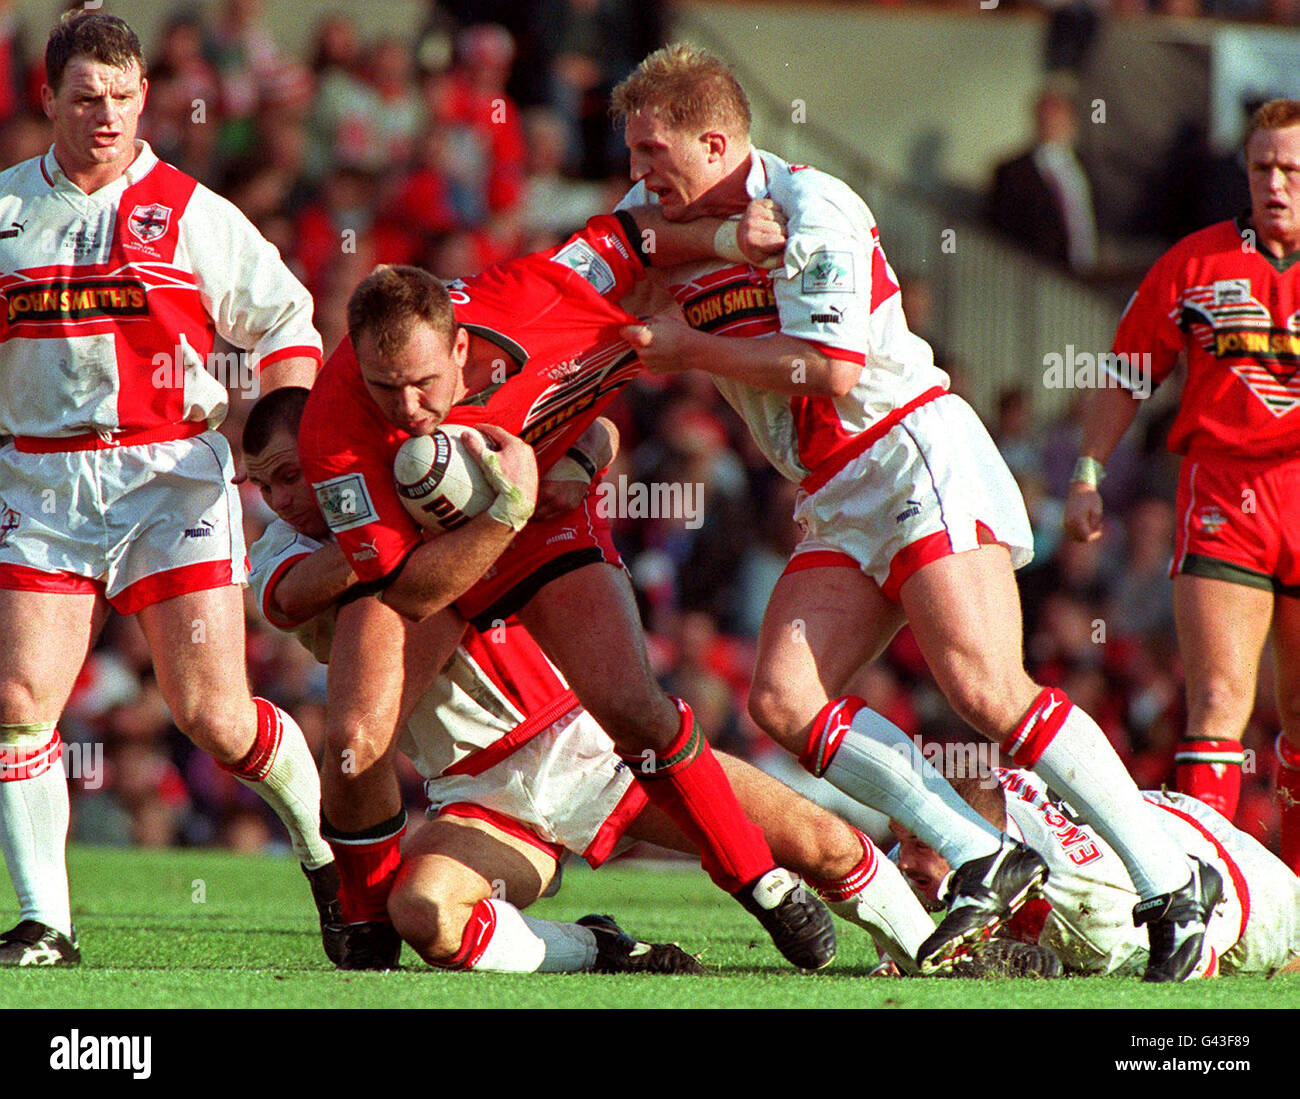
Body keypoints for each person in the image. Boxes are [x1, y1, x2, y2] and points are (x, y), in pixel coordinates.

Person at [608, 43, 1214, 982]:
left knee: (985, 689)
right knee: (782, 698)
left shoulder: (820, 208)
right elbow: (618, 244)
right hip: (834, 487)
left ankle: (1171, 879)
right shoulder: (665, 215)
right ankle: (975, 850)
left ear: (717, 139)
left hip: (905, 446)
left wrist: (689, 347)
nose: (639, 174)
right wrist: (720, 244)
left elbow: (832, 368)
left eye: (654, 152)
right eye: (633, 154)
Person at [296, 208, 838, 970]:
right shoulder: (331, 441)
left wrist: (726, 239)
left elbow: (633, 238)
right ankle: (378, 928)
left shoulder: (534, 296)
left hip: (569, 677)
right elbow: (377, 594)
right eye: (384, 388)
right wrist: (501, 513)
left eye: (423, 384)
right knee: (358, 755)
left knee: (680, 739)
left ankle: (820, 892)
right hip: (474, 730)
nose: (410, 410)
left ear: (460, 347)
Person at [246, 387, 942, 974]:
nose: (279, 500)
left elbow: (596, 426)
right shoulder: (287, 548)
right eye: (264, 484)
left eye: (289, 473)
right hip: (479, 792)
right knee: (425, 915)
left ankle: (941, 951)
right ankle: (600, 948)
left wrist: (571, 466)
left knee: (820, 847)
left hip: (592, 741)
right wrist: (433, 530)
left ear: (327, 455)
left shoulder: (426, 465)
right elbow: (292, 597)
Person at [0, 13, 335, 967]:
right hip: (39, 475)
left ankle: (325, 856)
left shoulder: (195, 211)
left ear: (144, 96)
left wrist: (281, 428)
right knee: (20, 696)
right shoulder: (5, 213)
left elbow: (285, 325)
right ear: (48, 99)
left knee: (215, 716)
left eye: (120, 97)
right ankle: (45, 923)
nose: (104, 115)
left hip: (168, 477)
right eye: (83, 98)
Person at [1063, 99, 1300, 873]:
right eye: (1263, 166)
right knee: (1216, 705)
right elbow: (1128, 369)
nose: (1276, 183)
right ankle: (1202, 900)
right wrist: (1090, 469)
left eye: (1292, 169)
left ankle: (1293, 902)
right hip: (1224, 496)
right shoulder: (1193, 262)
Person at [889, 767, 1300, 977]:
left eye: (920, 846)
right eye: (903, 840)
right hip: (1159, 818)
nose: (904, 861)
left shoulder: (1087, 907)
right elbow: (893, 884)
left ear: (985, 842)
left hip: (1254, 900)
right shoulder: (969, 807)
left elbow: (1191, 968)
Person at [988, 82, 1099, 275]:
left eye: (1058, 115)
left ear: (1072, 120)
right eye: (1046, 116)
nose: (1051, 122)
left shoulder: (1085, 167)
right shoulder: (1012, 172)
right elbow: (1003, 235)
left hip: (1088, 279)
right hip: (1041, 279)